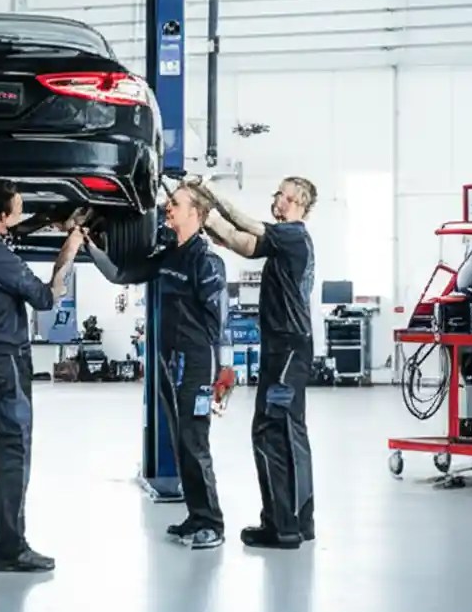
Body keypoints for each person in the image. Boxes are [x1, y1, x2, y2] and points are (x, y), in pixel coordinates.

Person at [0, 178, 84, 573]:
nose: (21, 211)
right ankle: (11, 548)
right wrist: (70, 247)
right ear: (3, 215)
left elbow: (4, 239)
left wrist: (45, 221)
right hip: (5, 361)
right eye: (19, 206)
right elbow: (44, 297)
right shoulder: (0, 260)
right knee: (13, 447)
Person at [83, 185, 228, 550]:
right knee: (181, 442)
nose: (168, 208)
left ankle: (212, 522)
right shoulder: (169, 256)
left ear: (195, 213)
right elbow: (120, 274)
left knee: (195, 443)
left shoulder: (206, 262)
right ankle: (196, 516)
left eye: (175, 204)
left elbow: (218, 325)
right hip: (170, 361)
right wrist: (90, 246)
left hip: (196, 363)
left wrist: (220, 374)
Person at [188, 175, 317, 550]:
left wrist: (210, 193)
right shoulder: (283, 242)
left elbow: (246, 224)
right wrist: (209, 220)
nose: (274, 197)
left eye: (279, 192)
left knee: (272, 430)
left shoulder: (292, 233)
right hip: (287, 348)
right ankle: (295, 521)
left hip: (288, 349)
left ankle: (284, 527)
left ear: (293, 199)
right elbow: (245, 245)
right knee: (288, 431)